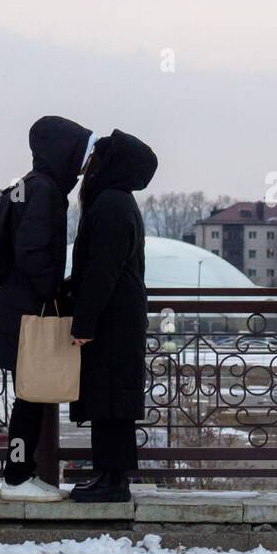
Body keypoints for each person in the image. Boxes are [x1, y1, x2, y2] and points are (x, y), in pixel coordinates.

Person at [0, 114, 94, 502]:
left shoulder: (28, 186)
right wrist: (54, 292)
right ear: (62, 152)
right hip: (30, 311)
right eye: (78, 152)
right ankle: (16, 478)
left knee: (29, 395)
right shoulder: (44, 191)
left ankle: (21, 473)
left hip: (17, 305)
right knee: (29, 397)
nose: (82, 162)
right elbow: (31, 251)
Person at [66, 129, 158, 502]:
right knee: (110, 399)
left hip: (112, 320)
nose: (88, 166)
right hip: (118, 316)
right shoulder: (116, 202)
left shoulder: (110, 204)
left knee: (111, 399)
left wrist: (84, 322)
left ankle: (114, 481)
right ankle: (109, 475)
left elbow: (103, 270)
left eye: (96, 159)